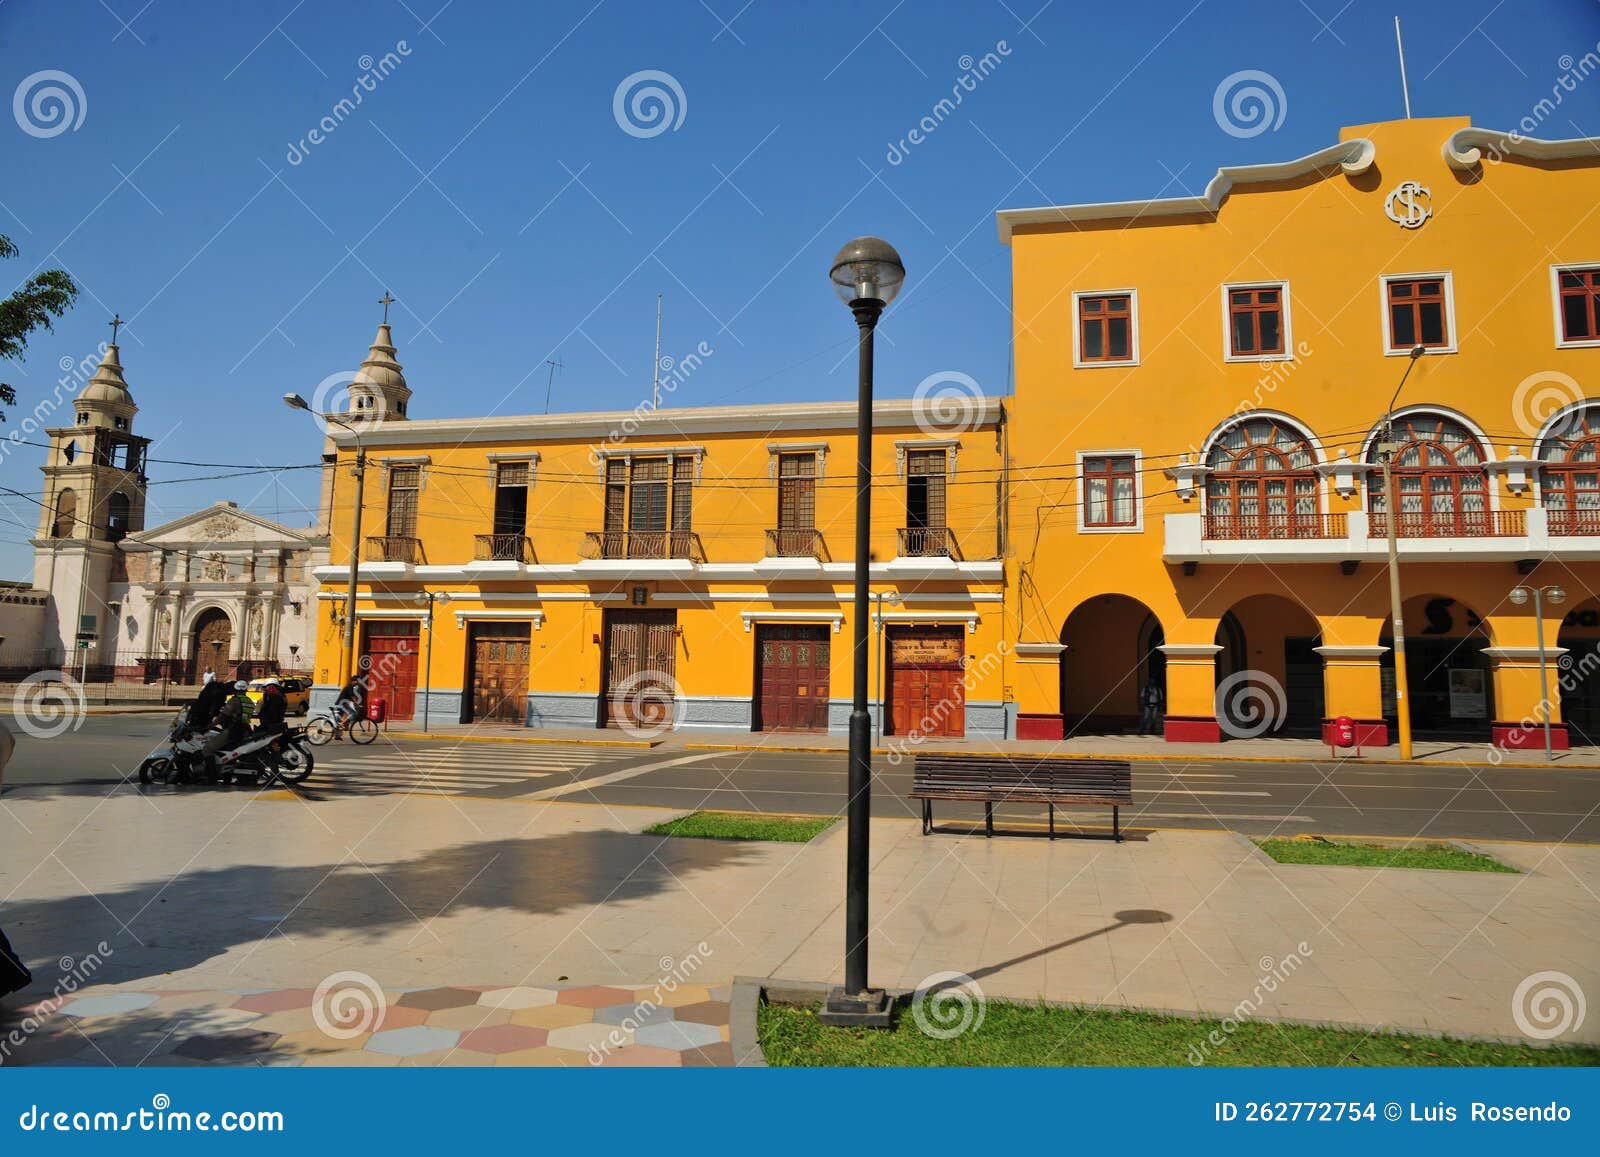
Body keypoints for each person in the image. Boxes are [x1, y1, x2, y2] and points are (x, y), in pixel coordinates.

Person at [201, 681, 254, 759]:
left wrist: (208, 727)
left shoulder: (234, 700)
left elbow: (222, 716)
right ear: (246, 689)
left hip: (234, 730)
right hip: (246, 729)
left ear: (235, 689)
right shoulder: (250, 701)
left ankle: (210, 771)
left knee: (207, 749)